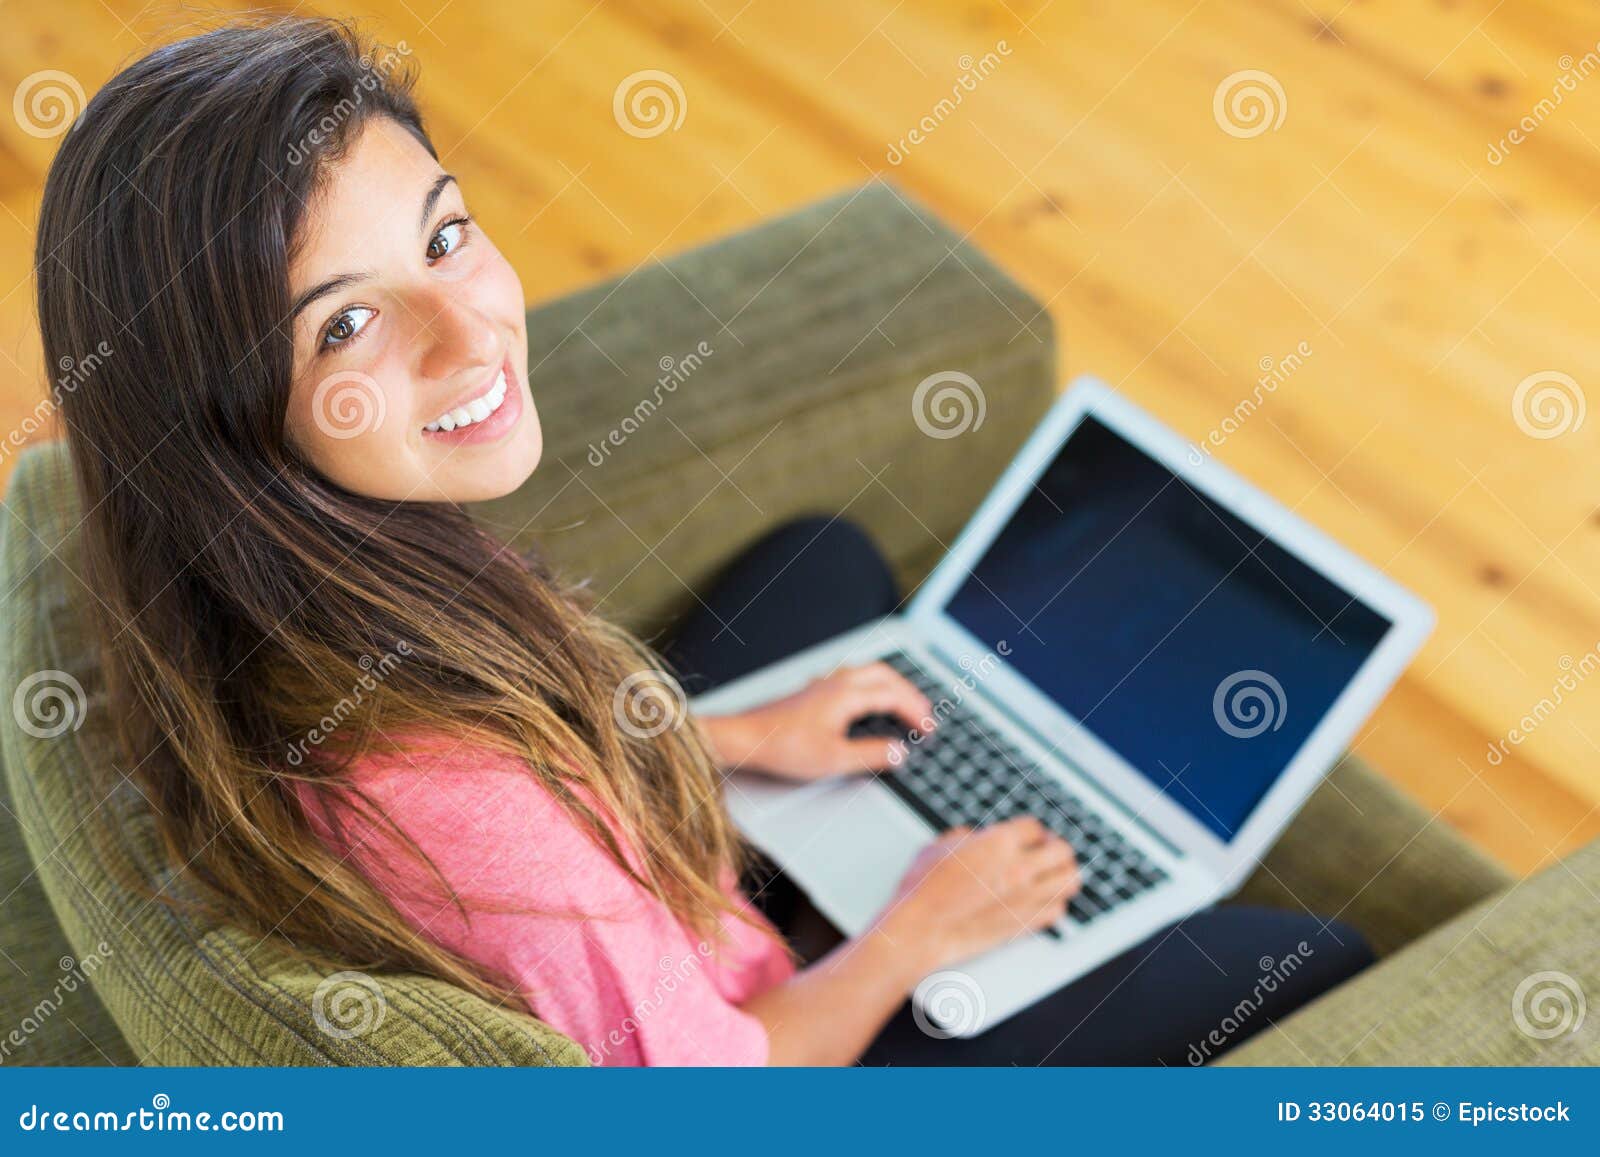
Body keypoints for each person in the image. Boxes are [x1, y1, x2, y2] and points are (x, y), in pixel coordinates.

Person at [37, 16, 1371, 1067]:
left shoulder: (286, 587)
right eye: (344, 323)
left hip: (649, 885)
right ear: (218, 415)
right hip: (778, 1052)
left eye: (444, 234)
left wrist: (722, 740)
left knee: (824, 561)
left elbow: (543, 766)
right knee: (1302, 952)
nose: (470, 330)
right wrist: (919, 927)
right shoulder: (468, 811)